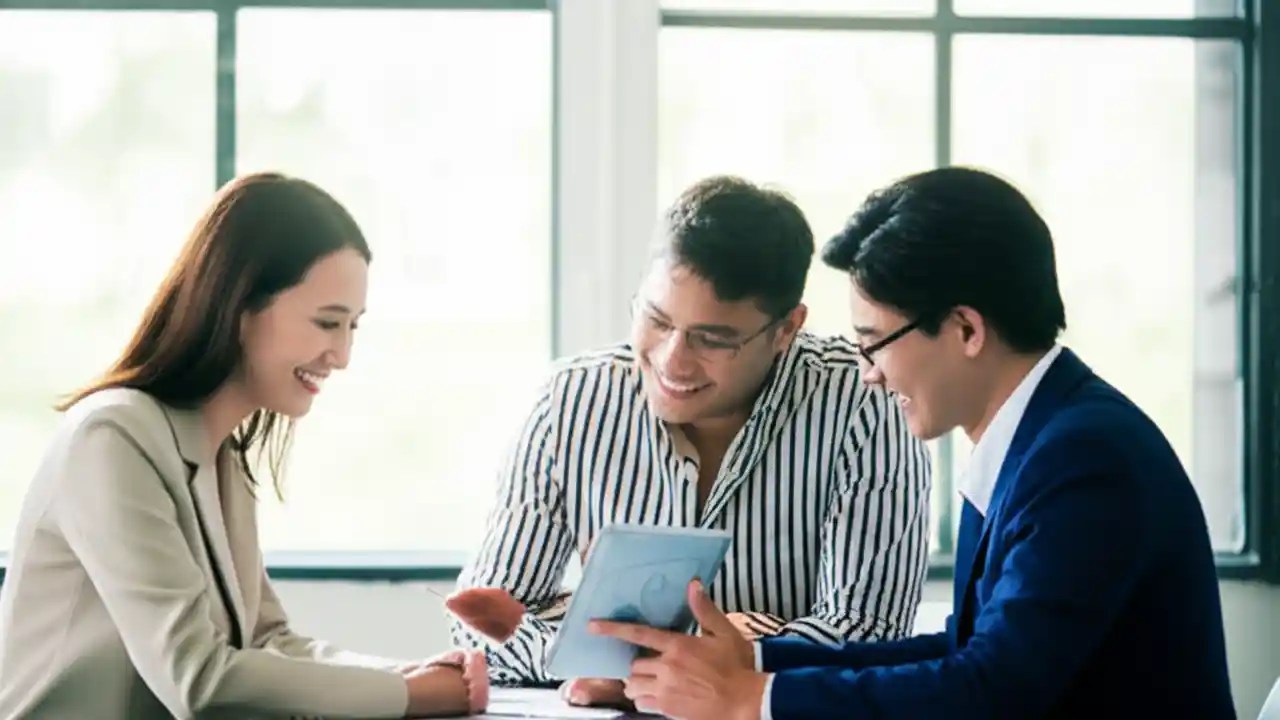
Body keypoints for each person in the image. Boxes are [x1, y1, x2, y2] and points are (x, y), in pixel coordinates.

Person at [591, 167, 1236, 719]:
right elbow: (963, 646)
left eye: (875, 342)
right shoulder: (1039, 437)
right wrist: (748, 660)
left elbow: (995, 691)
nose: (867, 370)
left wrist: (754, 698)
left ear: (965, 330)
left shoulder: (1086, 459)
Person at [0, 173, 488, 719]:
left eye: (353, 327)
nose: (342, 354)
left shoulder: (223, 455)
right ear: (239, 308)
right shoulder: (112, 439)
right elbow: (198, 679)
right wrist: (410, 698)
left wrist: (406, 675)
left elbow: (269, 641)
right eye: (327, 322)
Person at [452, 175, 932, 706]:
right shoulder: (571, 400)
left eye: (713, 339)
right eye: (656, 320)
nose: (672, 360)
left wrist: (637, 660)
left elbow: (869, 633)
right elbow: (477, 625)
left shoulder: (866, 402)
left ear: (786, 330)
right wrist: (631, 669)